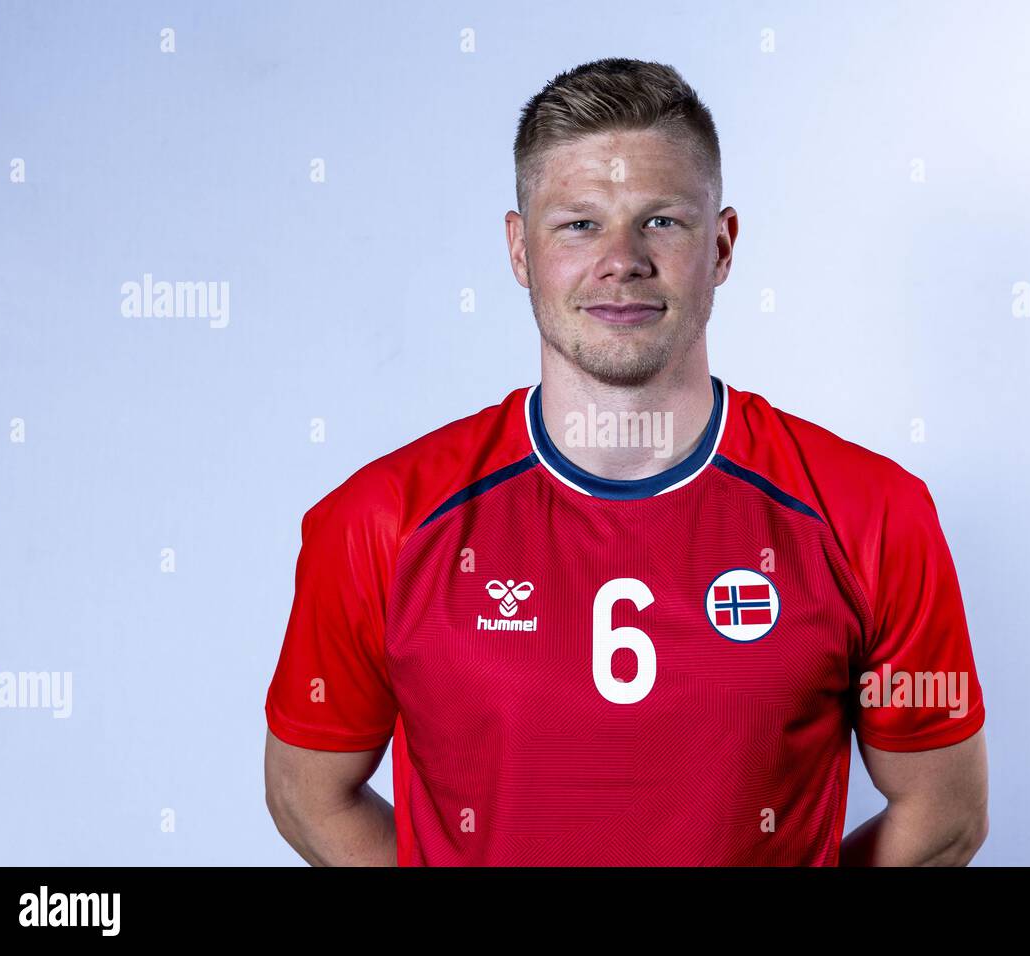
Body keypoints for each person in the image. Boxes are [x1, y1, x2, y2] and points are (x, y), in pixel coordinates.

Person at [264, 57, 988, 866]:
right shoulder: (381, 522)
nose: (621, 260)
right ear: (518, 248)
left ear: (721, 246)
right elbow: (307, 790)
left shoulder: (872, 514)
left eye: (663, 222)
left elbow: (944, 811)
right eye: (578, 223)